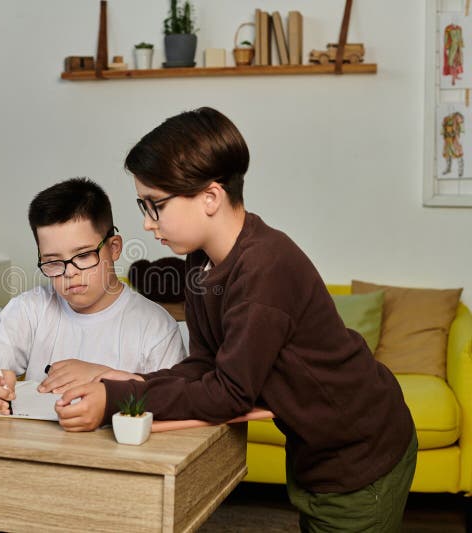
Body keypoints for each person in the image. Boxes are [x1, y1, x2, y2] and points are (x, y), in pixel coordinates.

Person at [55, 108, 417, 532]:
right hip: (319, 456)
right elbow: (205, 366)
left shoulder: (265, 268)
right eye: (143, 205)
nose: (146, 222)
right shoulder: (202, 261)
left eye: (156, 205)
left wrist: (116, 400)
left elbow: (229, 393)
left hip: (361, 452)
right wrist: (121, 382)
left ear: (210, 197)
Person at [0, 177, 185, 414]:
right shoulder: (31, 308)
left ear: (114, 248)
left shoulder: (156, 327)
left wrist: (103, 378)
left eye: (84, 255)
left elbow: (172, 399)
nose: (70, 272)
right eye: (53, 262)